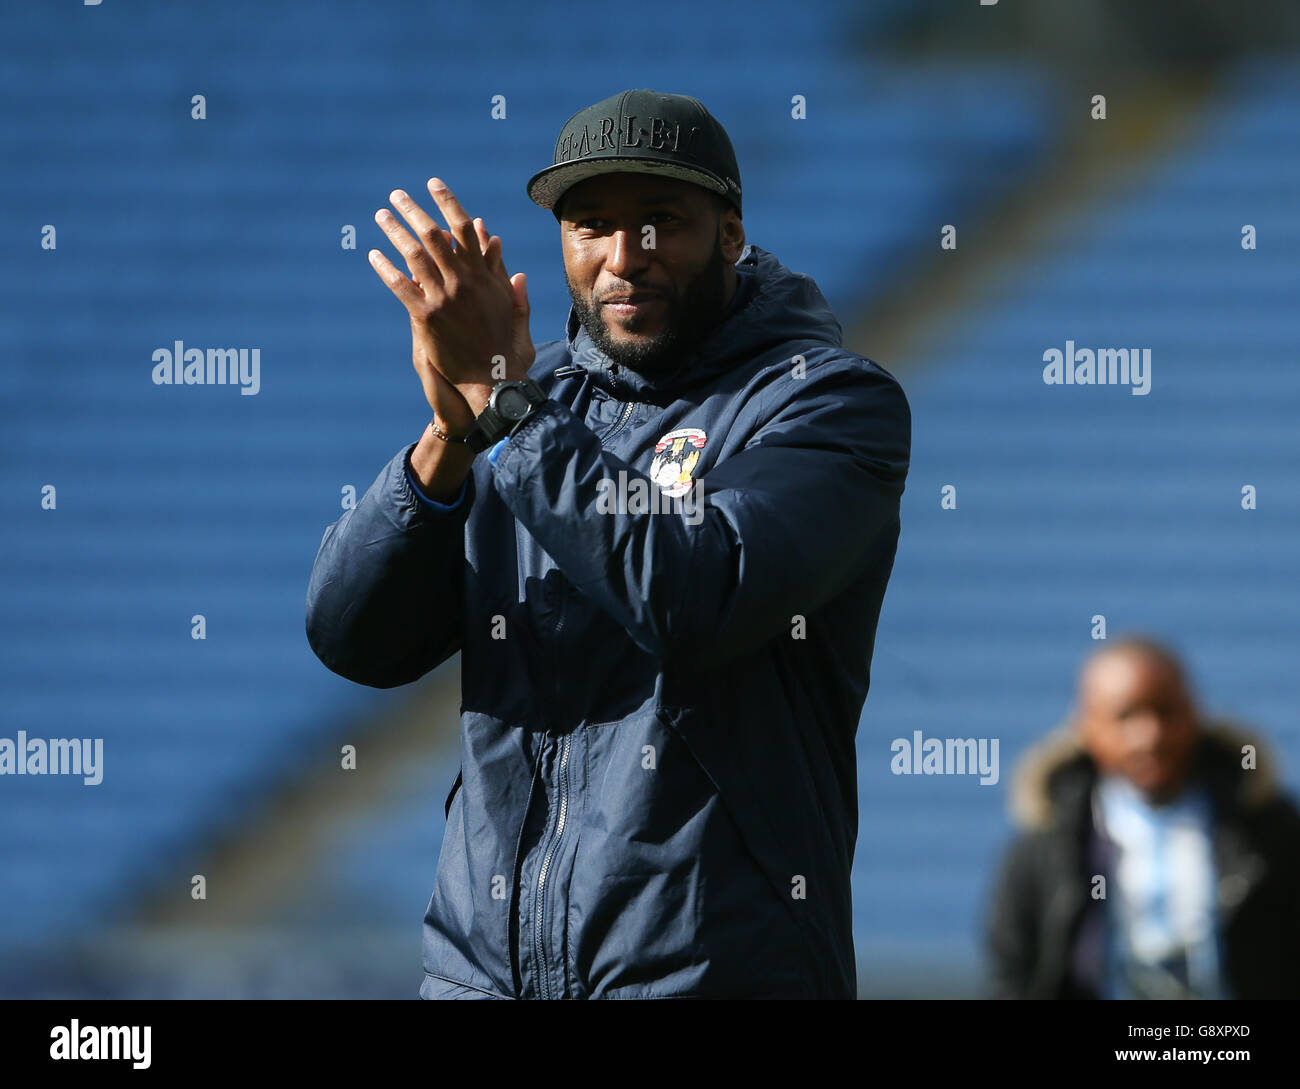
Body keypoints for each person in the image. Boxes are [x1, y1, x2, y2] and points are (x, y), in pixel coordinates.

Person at [306, 89, 911, 999]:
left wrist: (509, 412)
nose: (625, 259)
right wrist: (446, 443)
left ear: (732, 234)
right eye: (592, 224)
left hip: (708, 977)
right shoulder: (523, 400)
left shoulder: (827, 403)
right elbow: (353, 637)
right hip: (481, 979)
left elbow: (699, 595)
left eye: (662, 220)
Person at [986, 636, 1300, 998]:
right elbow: (1010, 974)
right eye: (1125, 716)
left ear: (1194, 713)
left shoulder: (1268, 831)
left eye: (1166, 711)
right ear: (1087, 724)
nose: (1149, 736)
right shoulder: (1045, 846)